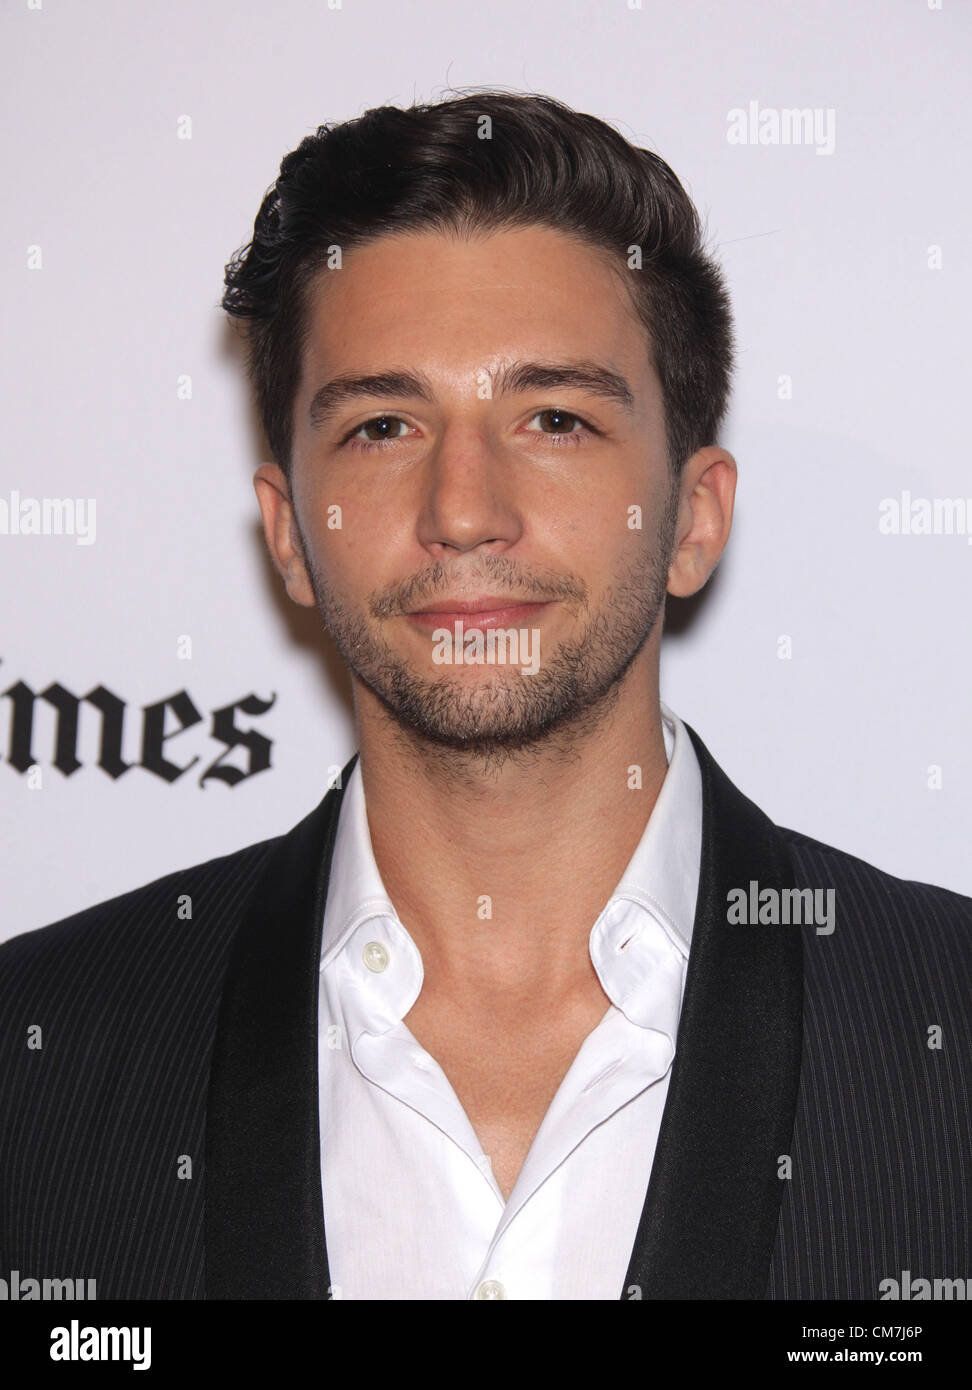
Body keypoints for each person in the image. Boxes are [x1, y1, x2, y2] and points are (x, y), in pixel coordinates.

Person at [1, 90, 967, 1302]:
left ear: (694, 517)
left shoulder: (947, 1025)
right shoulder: (38, 1055)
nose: (463, 507)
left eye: (554, 418)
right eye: (383, 424)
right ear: (289, 534)